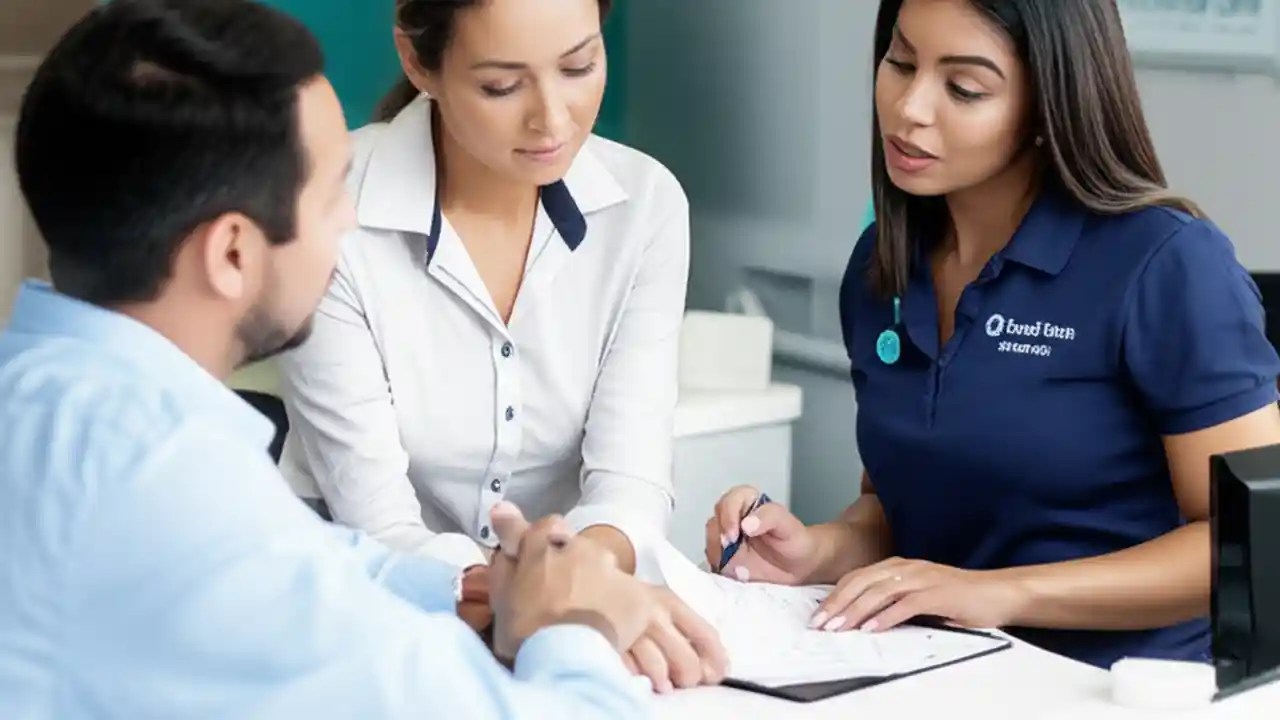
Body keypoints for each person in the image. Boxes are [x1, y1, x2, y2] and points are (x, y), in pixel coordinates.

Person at [0, 1, 723, 717]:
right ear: (231, 253)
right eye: (327, 199)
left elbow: (313, 558)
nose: (351, 218)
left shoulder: (55, 405)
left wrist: (509, 581)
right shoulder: (176, 493)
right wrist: (566, 626)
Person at [705, 0, 1280, 670]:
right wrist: (815, 550)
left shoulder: (1166, 264)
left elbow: (1251, 538)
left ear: (1048, 106)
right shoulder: (880, 266)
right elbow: (900, 505)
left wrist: (999, 594)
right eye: (900, 61)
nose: (910, 107)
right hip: (941, 669)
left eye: (964, 89)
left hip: (1122, 686)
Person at [273, 0, 698, 687]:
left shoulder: (645, 205)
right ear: (419, 62)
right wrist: (539, 600)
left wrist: (578, 589)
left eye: (580, 65)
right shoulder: (331, 205)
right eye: (502, 85)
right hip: (364, 628)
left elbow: (630, 484)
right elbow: (378, 525)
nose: (553, 120)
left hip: (557, 625)